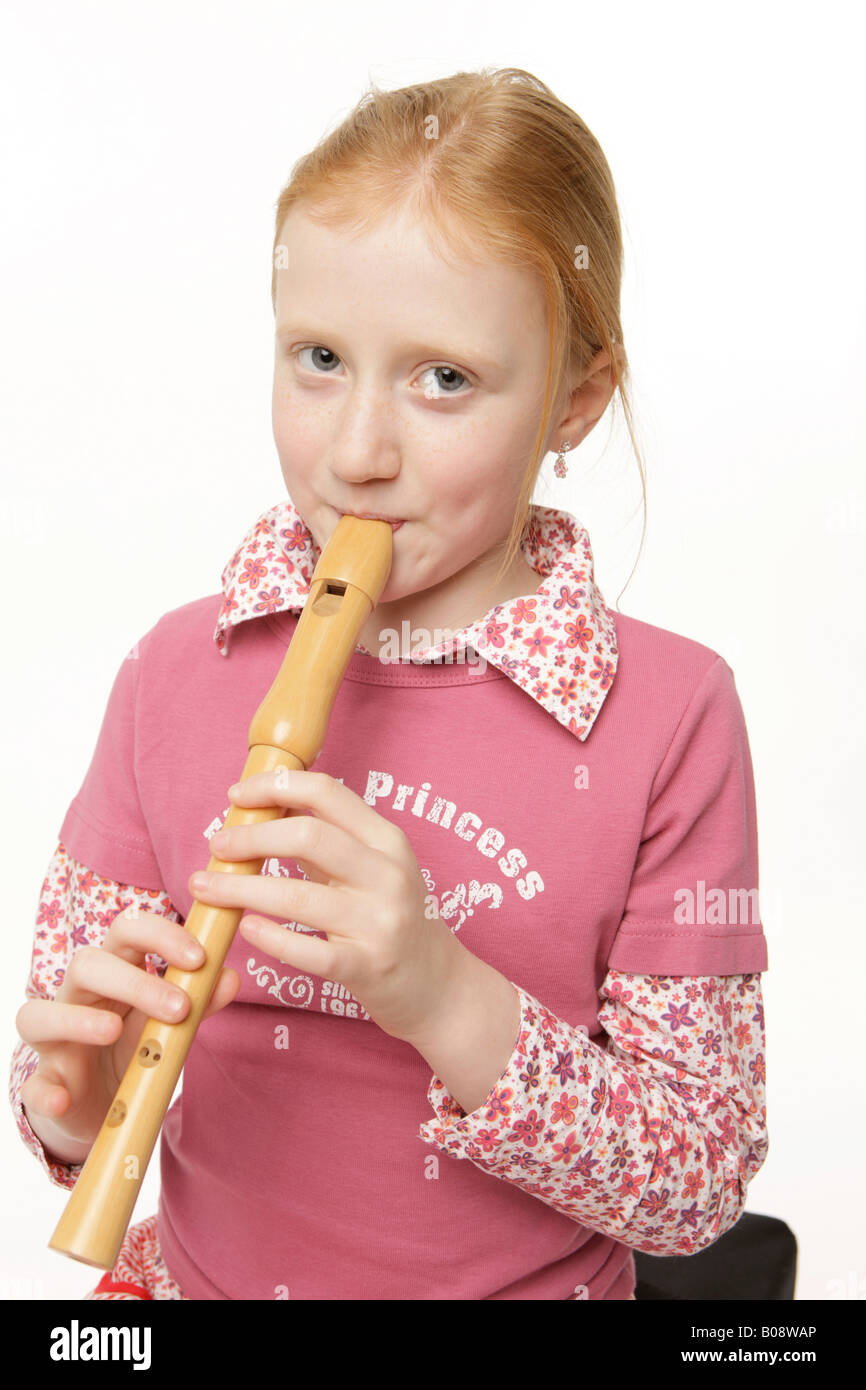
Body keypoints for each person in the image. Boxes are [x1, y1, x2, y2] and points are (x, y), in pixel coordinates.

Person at [11, 67, 768, 1301]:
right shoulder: (170, 672)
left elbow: (692, 1187)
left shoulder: (670, 716)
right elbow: (61, 1086)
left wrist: (435, 986)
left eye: (445, 379)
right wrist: (74, 1104)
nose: (356, 453)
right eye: (318, 358)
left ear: (575, 396)